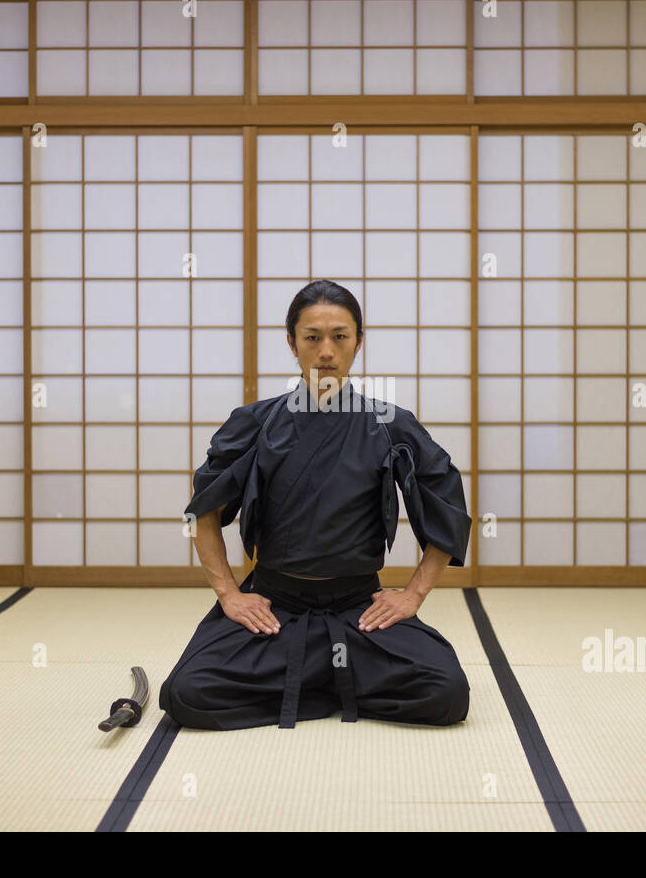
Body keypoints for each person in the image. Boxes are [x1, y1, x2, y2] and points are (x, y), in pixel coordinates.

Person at [158, 279, 473, 730]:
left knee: (446, 693)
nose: (326, 351)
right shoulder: (255, 422)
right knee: (188, 694)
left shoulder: (390, 425)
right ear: (292, 343)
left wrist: (413, 595)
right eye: (312, 337)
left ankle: (305, 676)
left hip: (360, 610)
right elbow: (202, 512)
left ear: (358, 343)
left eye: (340, 337)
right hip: (274, 606)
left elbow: (446, 504)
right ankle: (335, 678)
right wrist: (230, 596)